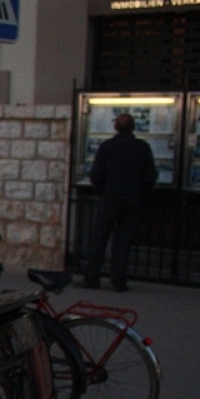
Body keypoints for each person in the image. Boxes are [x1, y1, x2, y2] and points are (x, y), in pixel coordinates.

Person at [80, 112, 157, 292]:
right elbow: (150, 176)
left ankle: (92, 276)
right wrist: (140, 193)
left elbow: (96, 175)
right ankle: (118, 279)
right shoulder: (142, 148)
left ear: (116, 127)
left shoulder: (108, 147)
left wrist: (103, 192)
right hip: (132, 198)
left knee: (100, 237)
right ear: (133, 127)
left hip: (111, 196)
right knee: (124, 239)